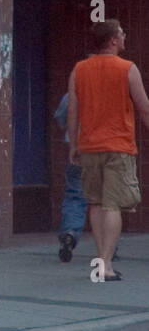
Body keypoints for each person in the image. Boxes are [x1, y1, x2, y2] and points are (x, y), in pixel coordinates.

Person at [66, 20, 149, 281]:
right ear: (113, 40)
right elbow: (144, 107)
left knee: (95, 202)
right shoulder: (127, 69)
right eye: (122, 33)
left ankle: (101, 261)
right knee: (113, 205)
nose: (125, 36)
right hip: (118, 146)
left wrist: (73, 144)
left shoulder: (79, 69)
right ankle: (106, 264)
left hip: (89, 146)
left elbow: (72, 110)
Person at [53, 92, 84, 263]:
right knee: (105, 201)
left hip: (77, 149)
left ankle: (70, 232)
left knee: (75, 195)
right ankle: (109, 249)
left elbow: (60, 116)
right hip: (105, 149)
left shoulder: (73, 92)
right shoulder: (109, 90)